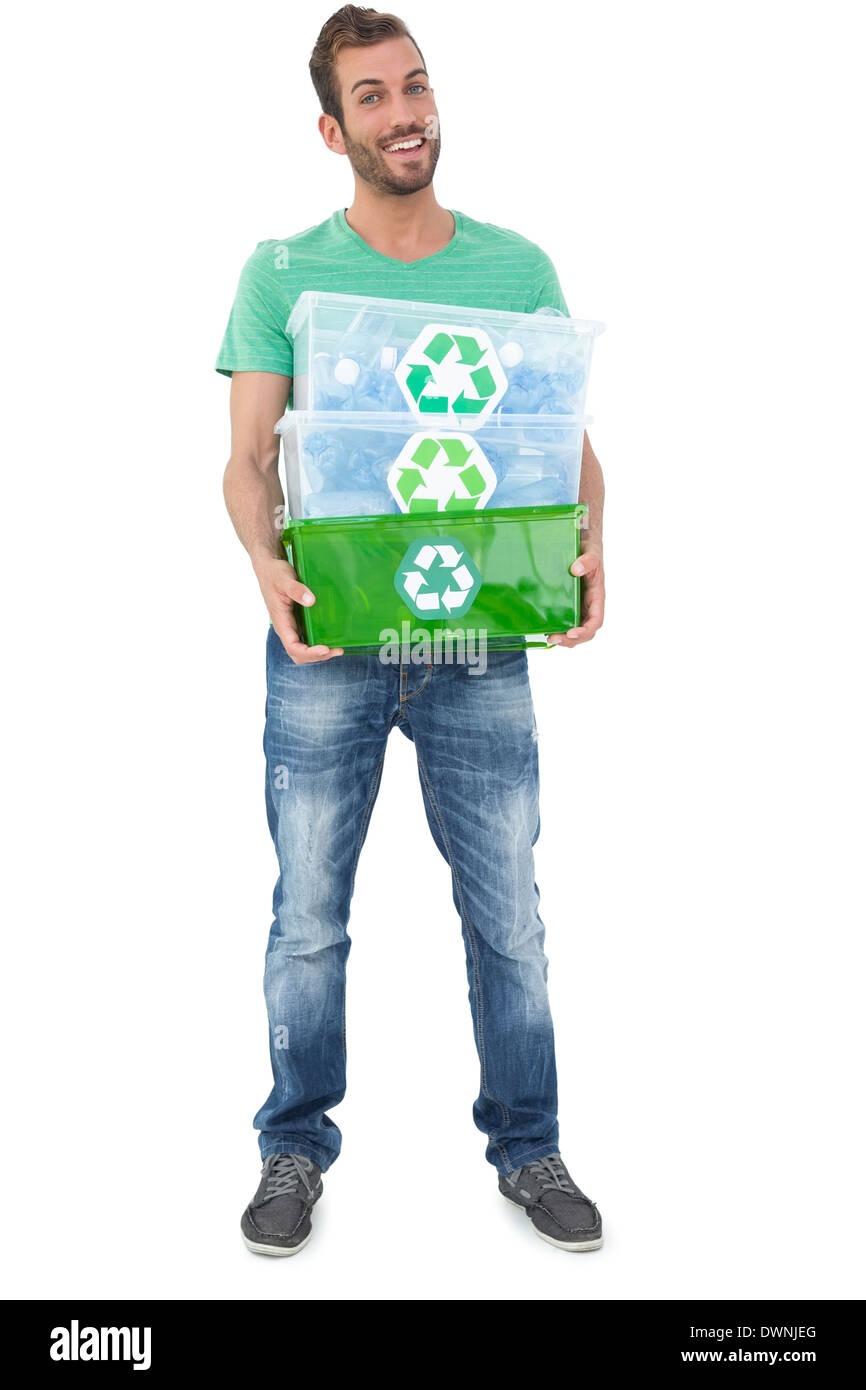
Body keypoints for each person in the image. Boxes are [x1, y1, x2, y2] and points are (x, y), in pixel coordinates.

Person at [216, 4, 606, 1257]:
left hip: (475, 639)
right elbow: (241, 464)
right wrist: (267, 570)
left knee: (510, 915)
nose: (406, 113)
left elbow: (565, 453)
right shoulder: (283, 272)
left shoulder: (515, 269)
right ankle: (293, 1146)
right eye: (373, 97)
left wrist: (596, 544)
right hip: (330, 642)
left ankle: (528, 1146)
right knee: (309, 919)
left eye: (416, 85)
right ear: (331, 128)